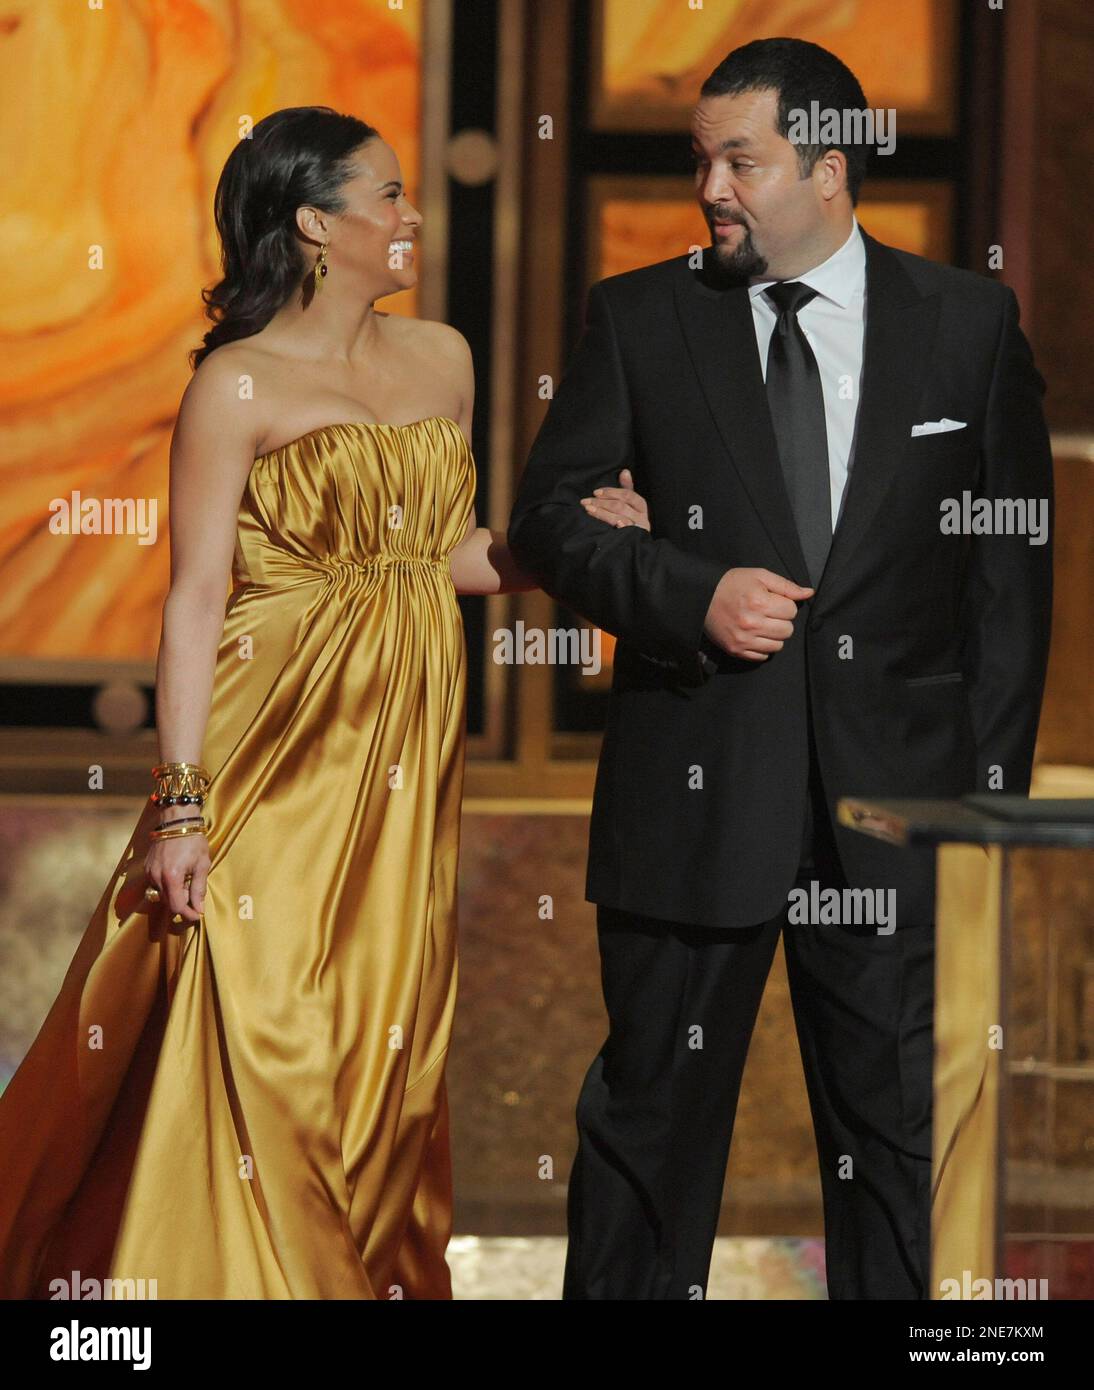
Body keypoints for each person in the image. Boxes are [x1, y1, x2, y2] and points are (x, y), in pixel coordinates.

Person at [0, 106, 650, 1301]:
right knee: (255, 1011)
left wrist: (568, 549)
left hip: (400, 744)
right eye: (389, 195)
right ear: (315, 222)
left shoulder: (443, 356)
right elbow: (196, 599)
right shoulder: (234, 385)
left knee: (376, 1034)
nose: (411, 217)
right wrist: (181, 807)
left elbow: (441, 557)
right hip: (267, 739)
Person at [508, 38, 1053, 1300]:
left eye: (738, 161)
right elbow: (548, 519)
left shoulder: (967, 324)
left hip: (899, 817)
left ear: (827, 163)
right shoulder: (639, 318)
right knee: (647, 1132)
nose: (710, 189)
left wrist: (978, 817)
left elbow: (1008, 594)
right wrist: (691, 594)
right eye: (701, 160)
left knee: (900, 1147)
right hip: (692, 797)